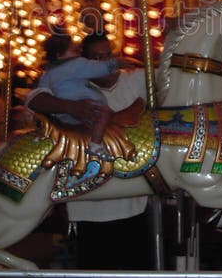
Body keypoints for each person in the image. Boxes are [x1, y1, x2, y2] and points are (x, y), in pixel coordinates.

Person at [27, 32, 150, 269]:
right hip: (90, 203)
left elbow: (171, 78)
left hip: (133, 196)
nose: (104, 62)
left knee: (135, 264)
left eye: (108, 55)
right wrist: (69, 107)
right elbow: (35, 98)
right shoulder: (72, 84)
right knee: (96, 265)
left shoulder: (136, 80)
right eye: (97, 57)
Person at [37, 32, 120, 184]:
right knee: (107, 113)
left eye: (109, 54)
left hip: (65, 116)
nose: (77, 53)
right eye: (74, 50)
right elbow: (97, 69)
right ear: (60, 54)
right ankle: (95, 144)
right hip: (84, 104)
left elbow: (42, 88)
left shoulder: (48, 73)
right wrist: (116, 63)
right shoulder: (77, 64)